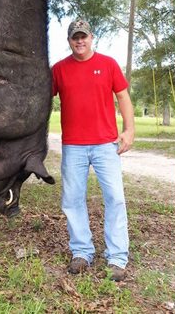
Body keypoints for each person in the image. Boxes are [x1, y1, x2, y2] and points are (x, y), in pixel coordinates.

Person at [51, 19, 135, 282]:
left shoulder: (108, 64)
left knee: (115, 198)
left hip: (105, 144)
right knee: (73, 200)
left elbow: (122, 96)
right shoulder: (59, 70)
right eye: (75, 37)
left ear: (91, 38)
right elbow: (42, 100)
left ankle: (117, 257)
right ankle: (81, 252)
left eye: (83, 37)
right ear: (69, 41)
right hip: (73, 145)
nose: (79, 41)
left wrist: (129, 129)